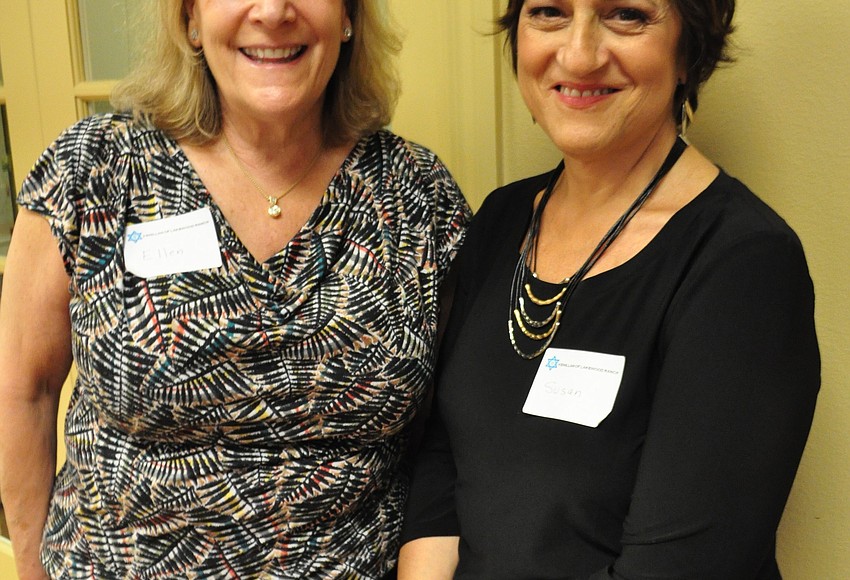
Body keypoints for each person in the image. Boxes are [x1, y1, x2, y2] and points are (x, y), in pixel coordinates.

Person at [0, 0, 469, 578]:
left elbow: (448, 435)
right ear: (191, 19)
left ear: (348, 17)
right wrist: (30, 568)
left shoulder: (418, 197)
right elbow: (26, 389)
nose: (272, 11)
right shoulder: (92, 170)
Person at [399, 0, 820, 578]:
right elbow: (445, 462)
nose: (578, 54)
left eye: (626, 15)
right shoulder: (501, 220)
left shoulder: (743, 264)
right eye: (549, 12)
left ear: (688, 50)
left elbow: (681, 564)